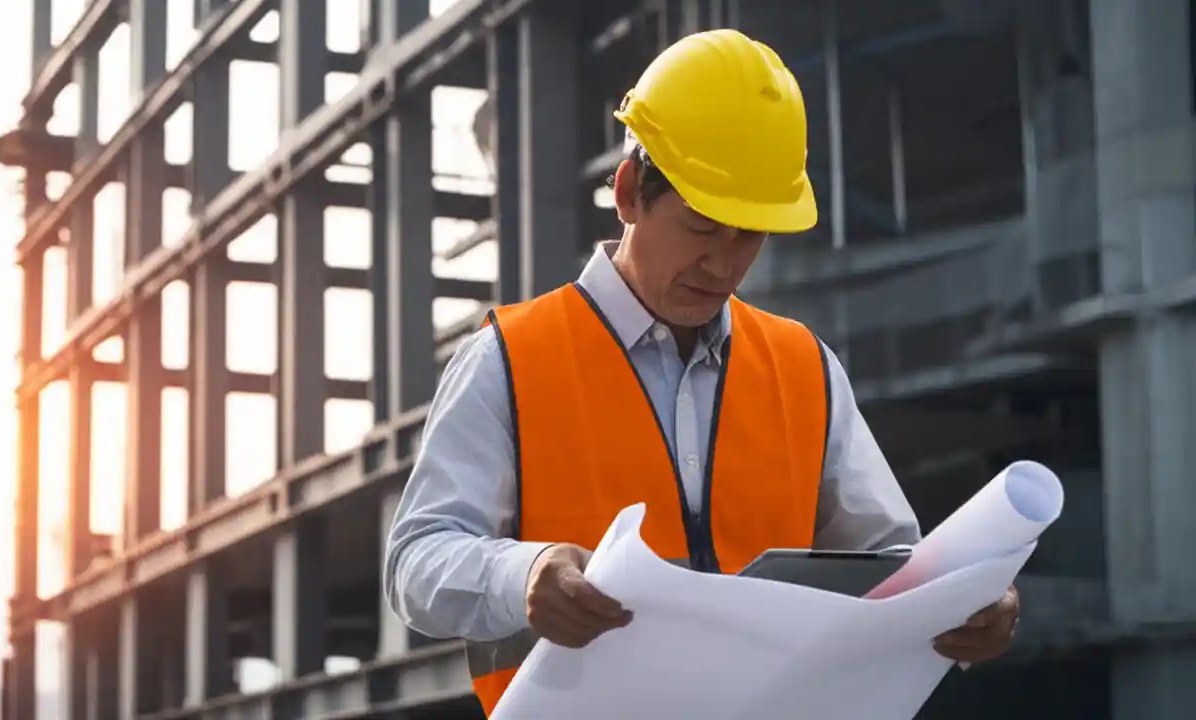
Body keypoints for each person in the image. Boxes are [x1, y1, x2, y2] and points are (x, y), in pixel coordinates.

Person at [383, 28, 1019, 716]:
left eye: (749, 233)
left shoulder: (804, 367)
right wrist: (524, 575)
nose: (725, 263)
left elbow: (894, 563)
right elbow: (416, 561)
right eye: (703, 226)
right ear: (629, 192)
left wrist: (959, 603)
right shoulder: (509, 359)